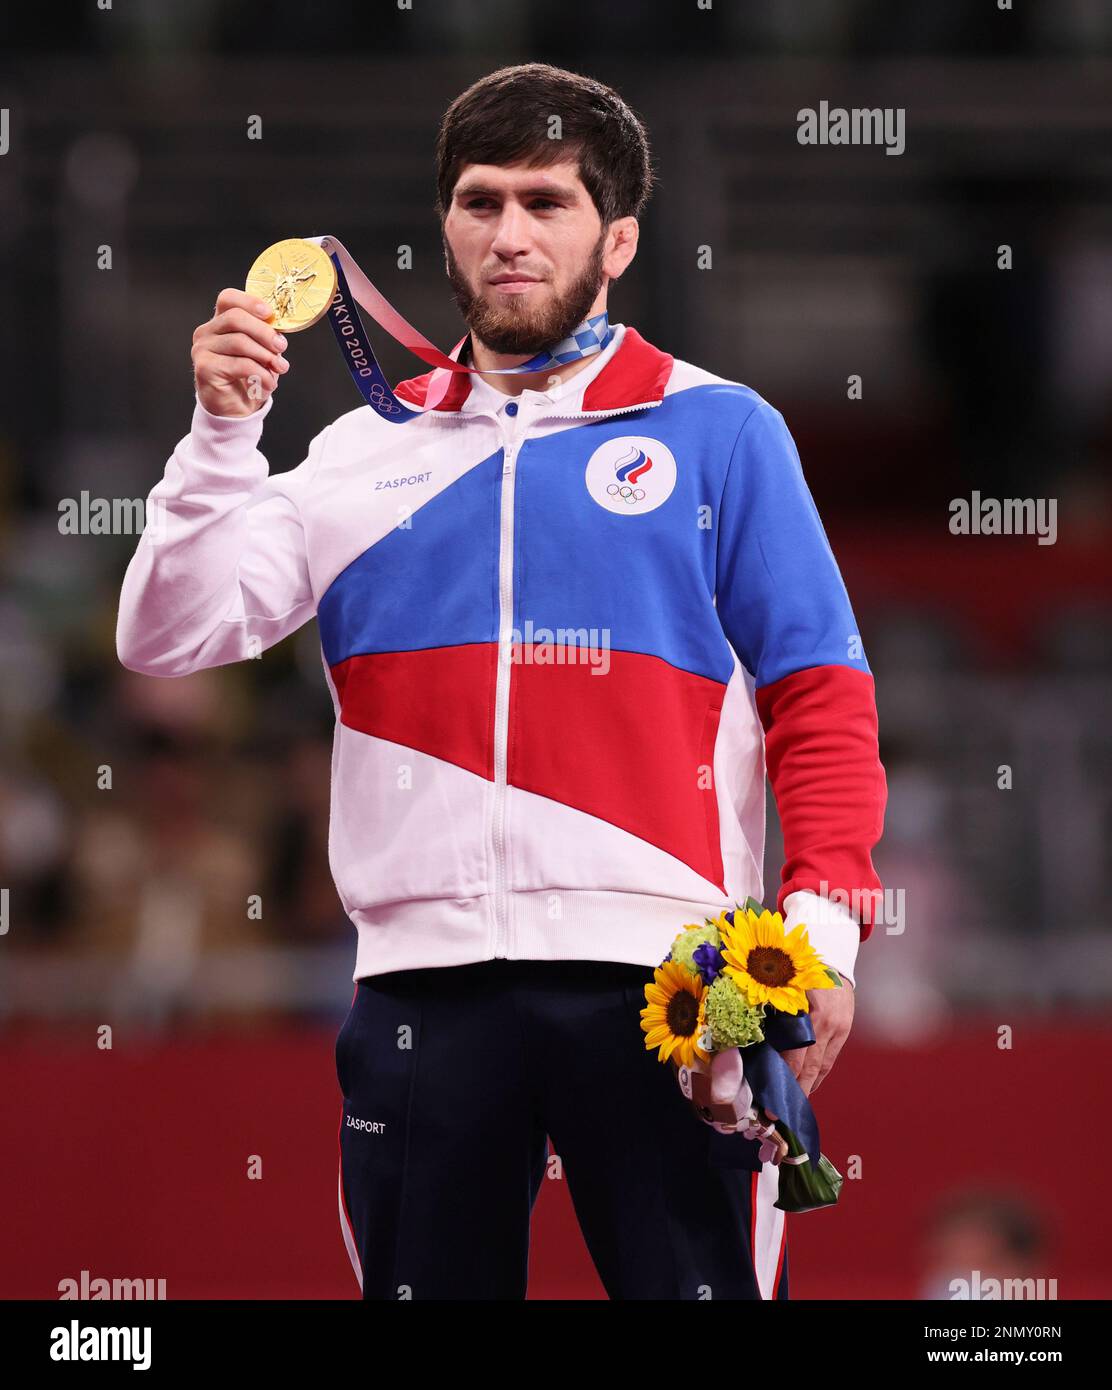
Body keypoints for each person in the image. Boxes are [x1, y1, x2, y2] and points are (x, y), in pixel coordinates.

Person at [116, 62, 886, 1300]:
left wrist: (821, 932)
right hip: (421, 988)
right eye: (481, 203)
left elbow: (821, 691)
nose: (509, 236)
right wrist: (218, 436)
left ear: (617, 237)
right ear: (446, 228)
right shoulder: (359, 449)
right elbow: (166, 636)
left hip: (675, 984)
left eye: (546, 203)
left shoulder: (720, 430)